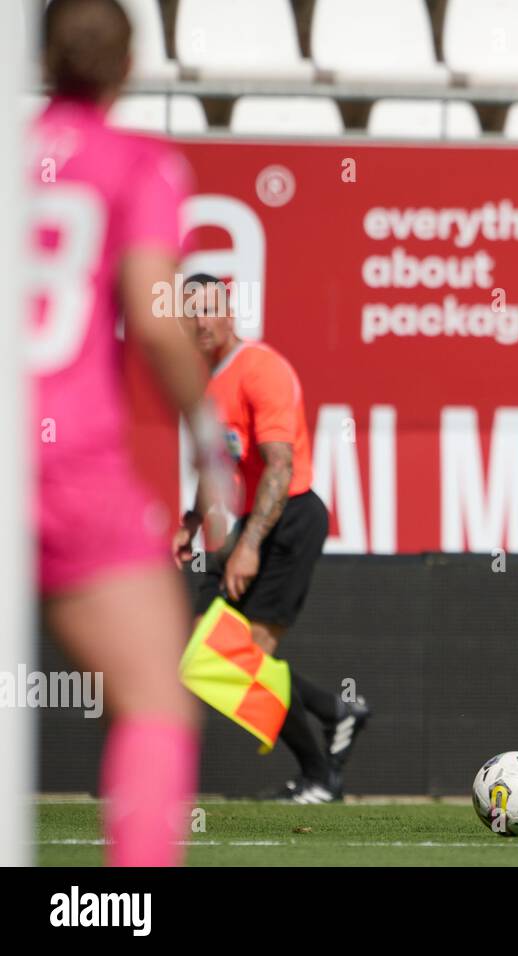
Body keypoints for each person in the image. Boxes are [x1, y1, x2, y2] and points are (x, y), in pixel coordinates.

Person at [30, 0, 233, 866]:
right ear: (127, 66)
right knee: (155, 700)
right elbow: (156, 319)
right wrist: (205, 433)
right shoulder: (137, 163)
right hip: (68, 461)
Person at [174, 274, 370, 804]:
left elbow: (280, 469)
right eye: (189, 310)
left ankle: (319, 777)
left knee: (246, 657)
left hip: (288, 520)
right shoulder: (206, 381)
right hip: (248, 522)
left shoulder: (261, 369)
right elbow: (217, 458)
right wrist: (194, 519)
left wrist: (249, 545)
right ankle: (333, 710)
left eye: (208, 308)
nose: (200, 320)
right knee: (204, 650)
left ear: (229, 311)